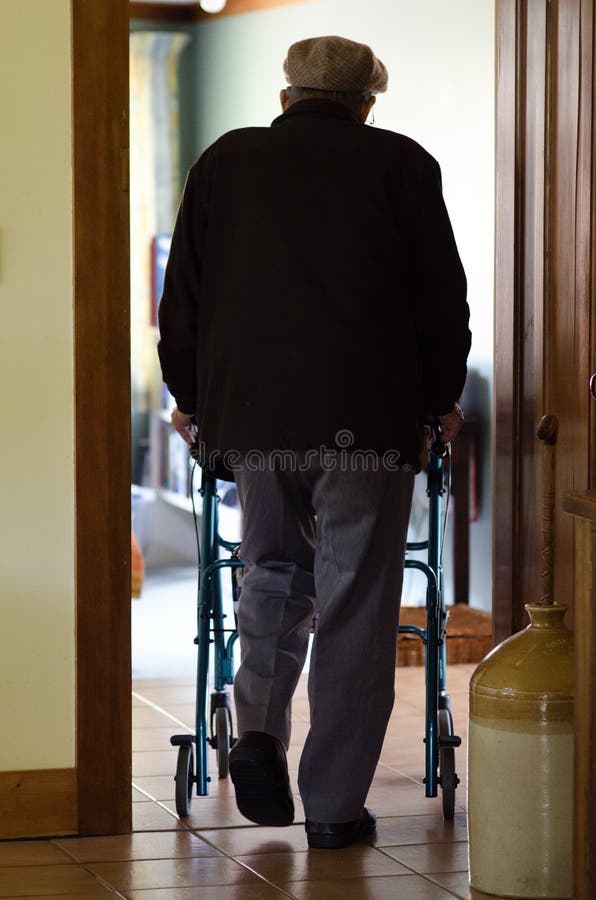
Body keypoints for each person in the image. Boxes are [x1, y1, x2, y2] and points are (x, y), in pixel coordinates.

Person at [158, 35, 471, 849]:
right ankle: (333, 808)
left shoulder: (226, 162)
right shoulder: (401, 164)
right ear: (367, 102)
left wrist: (193, 402)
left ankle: (257, 729)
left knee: (268, 574)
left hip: (255, 422)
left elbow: (181, 297)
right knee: (356, 602)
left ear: (287, 97)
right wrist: (439, 401)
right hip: (366, 422)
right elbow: (443, 301)